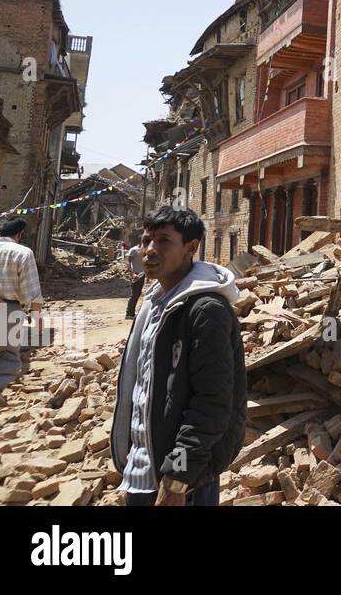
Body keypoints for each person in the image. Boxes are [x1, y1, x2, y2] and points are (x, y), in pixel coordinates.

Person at [110, 207, 246, 507]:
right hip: (144, 471)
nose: (149, 251)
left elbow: (211, 404)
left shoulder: (206, 310)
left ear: (191, 247)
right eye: (146, 241)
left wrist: (178, 477)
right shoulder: (154, 304)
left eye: (163, 241)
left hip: (184, 482)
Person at [0, 217, 43, 409]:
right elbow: (30, 288)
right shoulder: (23, 253)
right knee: (7, 355)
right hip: (8, 310)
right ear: (20, 234)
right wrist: (37, 316)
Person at [123, 232, 146, 321]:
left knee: (138, 293)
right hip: (135, 275)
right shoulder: (134, 250)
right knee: (134, 294)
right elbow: (128, 262)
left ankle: (131, 312)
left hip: (141, 274)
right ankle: (129, 313)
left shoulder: (144, 250)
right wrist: (132, 274)